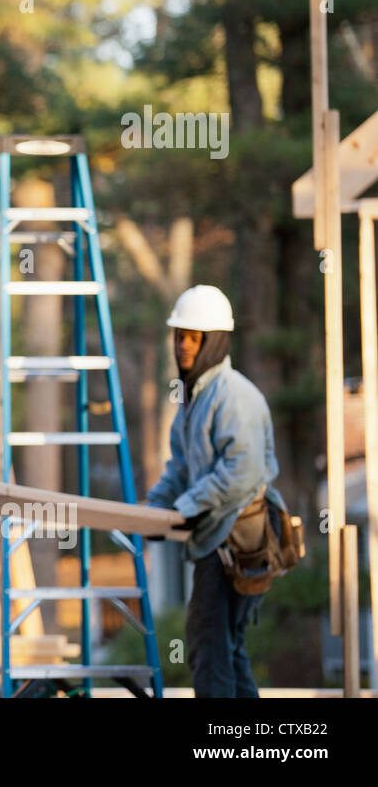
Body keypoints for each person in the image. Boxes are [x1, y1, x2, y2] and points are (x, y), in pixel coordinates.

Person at [145, 284, 287, 698]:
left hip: (238, 540)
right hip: (217, 539)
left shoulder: (233, 396)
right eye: (179, 337)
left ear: (215, 341)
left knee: (210, 645)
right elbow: (180, 467)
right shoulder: (195, 398)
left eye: (194, 338)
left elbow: (242, 471)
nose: (184, 346)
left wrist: (187, 507)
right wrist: (157, 509)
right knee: (226, 647)